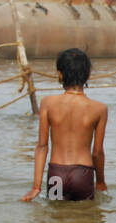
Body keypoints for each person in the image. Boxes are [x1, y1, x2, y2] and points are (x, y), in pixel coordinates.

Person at [20, 48, 108, 202]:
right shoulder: (99, 108)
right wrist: (100, 182)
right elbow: (97, 152)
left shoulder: (47, 103)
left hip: (56, 175)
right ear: (88, 74)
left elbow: (42, 146)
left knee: (55, 219)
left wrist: (36, 186)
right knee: (87, 220)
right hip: (83, 175)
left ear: (60, 74)